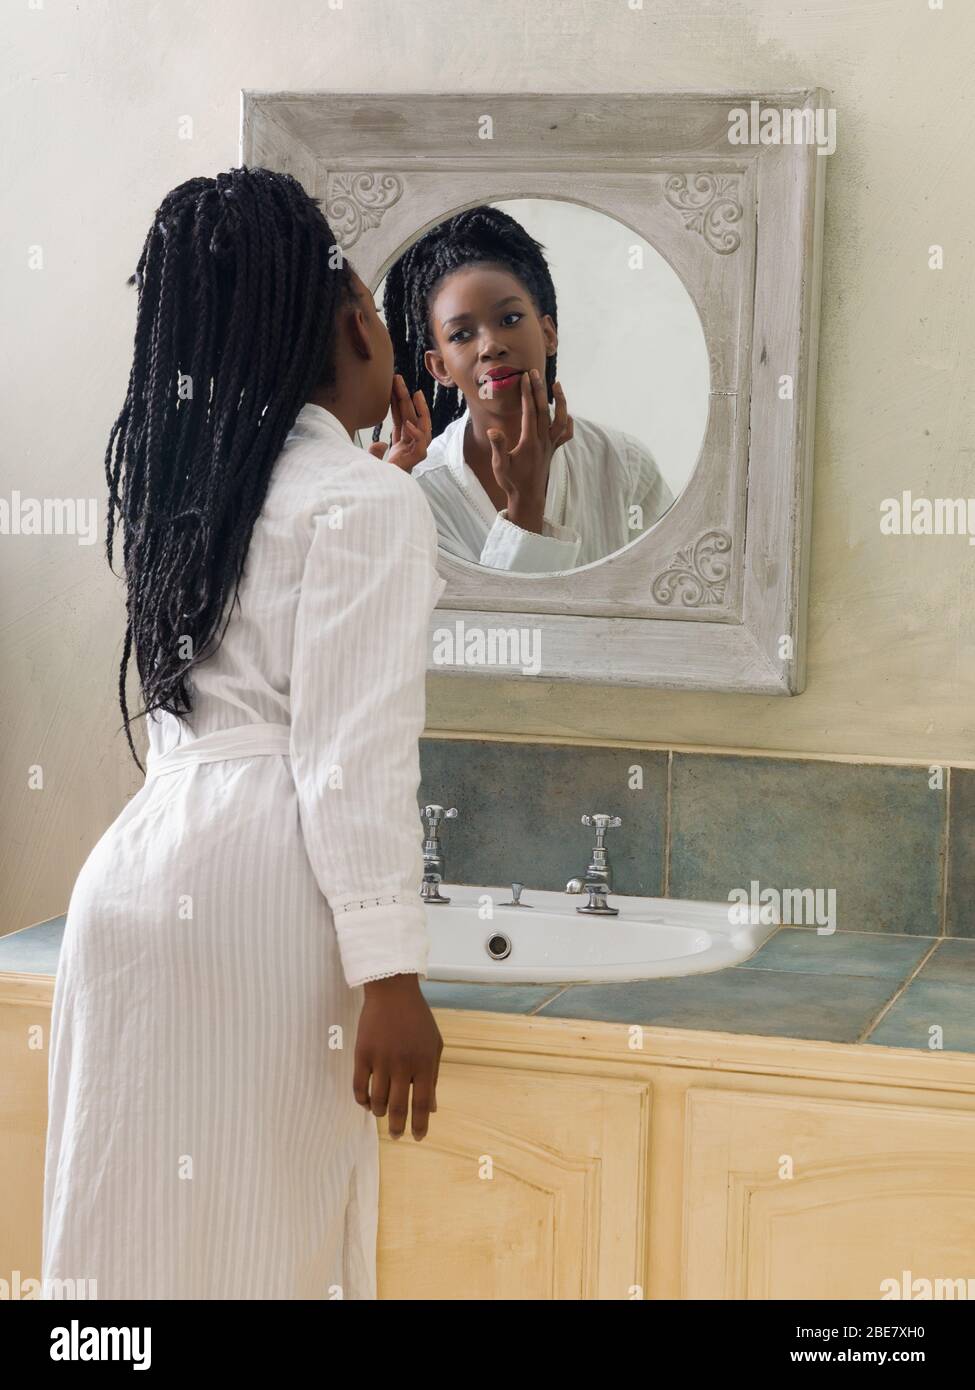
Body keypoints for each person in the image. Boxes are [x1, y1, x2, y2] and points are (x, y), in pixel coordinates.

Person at [41, 166, 441, 1301]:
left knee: (127, 1249)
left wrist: (385, 488)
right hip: (262, 903)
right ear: (352, 322)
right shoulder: (364, 506)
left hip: (131, 886)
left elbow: (249, 675)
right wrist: (393, 972)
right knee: (270, 1249)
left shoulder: (194, 494)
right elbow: (348, 756)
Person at [381, 205, 674, 572]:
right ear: (440, 367)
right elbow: (478, 623)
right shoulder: (419, 490)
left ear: (548, 334)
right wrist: (525, 503)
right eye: (461, 334)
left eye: (510, 318)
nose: (490, 346)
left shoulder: (623, 462)